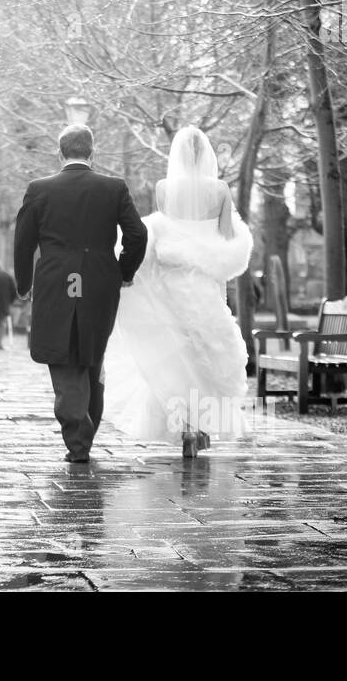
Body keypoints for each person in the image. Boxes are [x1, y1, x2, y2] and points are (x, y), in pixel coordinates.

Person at [101, 125, 253, 458]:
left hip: (171, 286)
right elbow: (228, 238)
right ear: (207, 154)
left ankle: (186, 426)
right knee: (208, 358)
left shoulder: (164, 188)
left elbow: (156, 233)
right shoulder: (221, 191)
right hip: (204, 286)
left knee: (178, 358)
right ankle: (200, 426)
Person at [14, 123, 147, 463]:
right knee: (92, 357)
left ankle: (78, 440)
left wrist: (24, 284)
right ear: (92, 152)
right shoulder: (113, 187)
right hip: (99, 281)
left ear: (60, 153)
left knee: (62, 355)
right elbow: (137, 234)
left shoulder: (39, 189)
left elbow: (24, 242)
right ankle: (85, 432)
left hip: (57, 280)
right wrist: (124, 271)